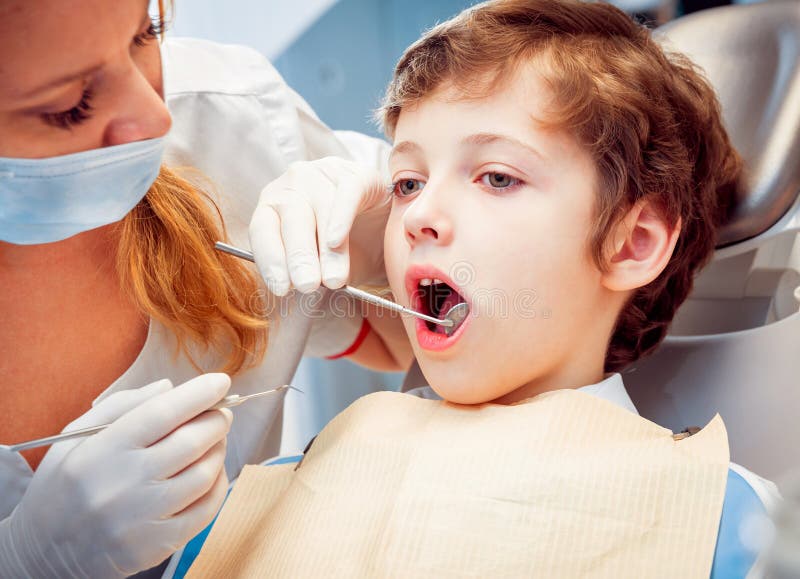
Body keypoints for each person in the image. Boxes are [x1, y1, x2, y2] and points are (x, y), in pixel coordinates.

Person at [178, 0, 782, 576]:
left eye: (497, 177)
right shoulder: (271, 496)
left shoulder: (726, 523)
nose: (417, 215)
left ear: (631, 244)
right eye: (408, 183)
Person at [0, 0, 411, 577]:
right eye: (69, 105)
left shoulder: (230, 120)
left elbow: (412, 340)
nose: (157, 119)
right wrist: (23, 559)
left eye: (147, 33)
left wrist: (397, 249)